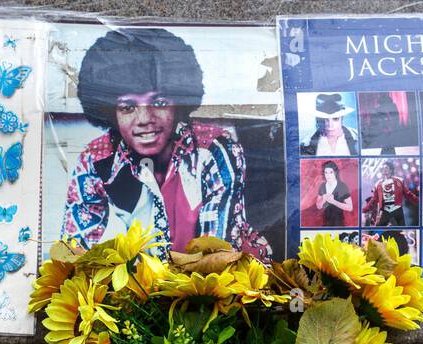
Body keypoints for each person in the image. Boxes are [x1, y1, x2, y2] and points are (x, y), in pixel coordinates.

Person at [62, 28, 271, 258]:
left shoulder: (215, 150)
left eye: (159, 102)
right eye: (127, 107)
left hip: (223, 280)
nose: (144, 119)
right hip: (147, 282)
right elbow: (74, 252)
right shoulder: (97, 159)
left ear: (178, 102)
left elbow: (217, 257)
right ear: (111, 112)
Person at [362, 160, 415, 228]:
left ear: (391, 170)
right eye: (383, 168)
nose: (384, 170)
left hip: (397, 210)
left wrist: (418, 201)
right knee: (379, 231)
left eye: (386, 168)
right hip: (385, 210)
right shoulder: (378, 183)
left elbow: (408, 194)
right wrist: (364, 210)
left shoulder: (399, 180)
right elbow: (374, 200)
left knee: (402, 231)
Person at [309, 161, 353, 228]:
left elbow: (350, 208)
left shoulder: (342, 186)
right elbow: (318, 206)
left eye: (331, 172)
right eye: (326, 172)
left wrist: (333, 202)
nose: (328, 175)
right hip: (325, 223)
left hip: (339, 224)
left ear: (335, 172)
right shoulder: (322, 186)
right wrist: (323, 200)